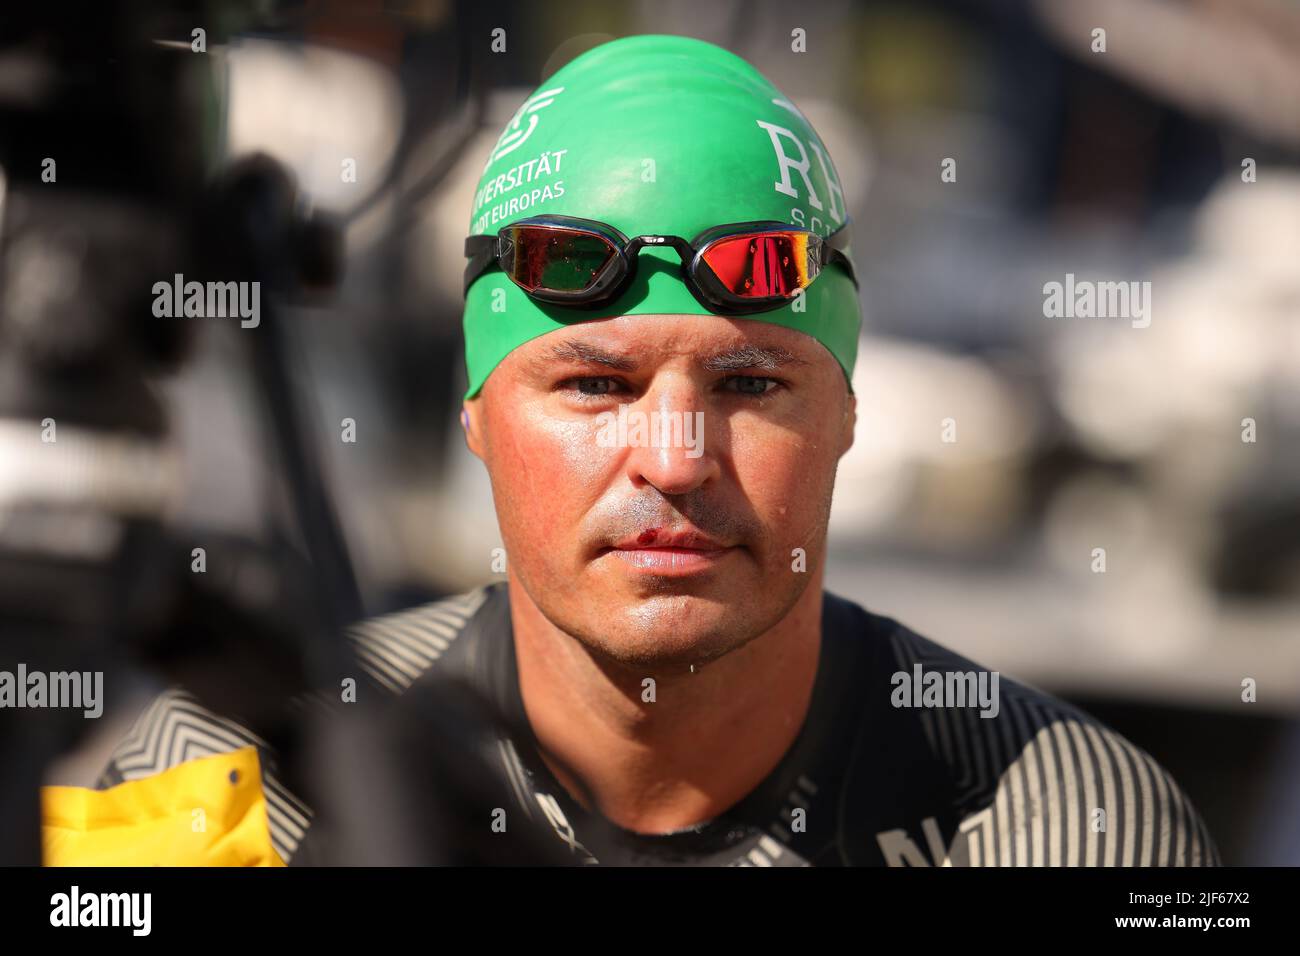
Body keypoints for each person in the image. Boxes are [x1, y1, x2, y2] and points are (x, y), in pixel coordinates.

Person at [96, 34, 1218, 867]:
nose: (674, 460)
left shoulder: (1076, 824)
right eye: (593, 383)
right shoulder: (207, 785)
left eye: (749, 384)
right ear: (477, 418)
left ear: (847, 416)